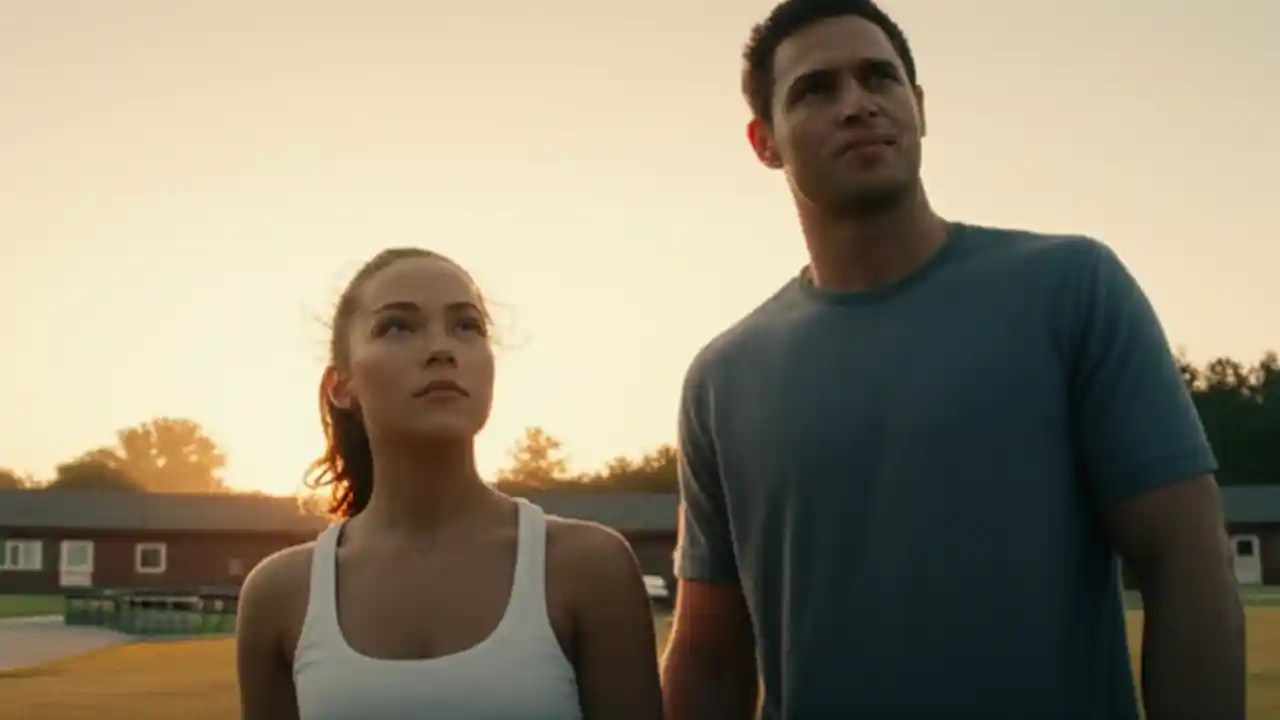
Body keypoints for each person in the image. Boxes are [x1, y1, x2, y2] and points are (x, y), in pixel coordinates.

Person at [660, 1, 1245, 718]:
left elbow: (1187, 563)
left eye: (881, 78)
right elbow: (710, 657)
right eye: (816, 89)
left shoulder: (1071, 288)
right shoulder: (722, 379)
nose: (858, 104)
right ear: (764, 142)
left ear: (920, 107)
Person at [236, 248, 663, 720]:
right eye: (396, 326)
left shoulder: (588, 568)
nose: (442, 349)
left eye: (467, 326)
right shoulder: (278, 595)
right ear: (342, 386)